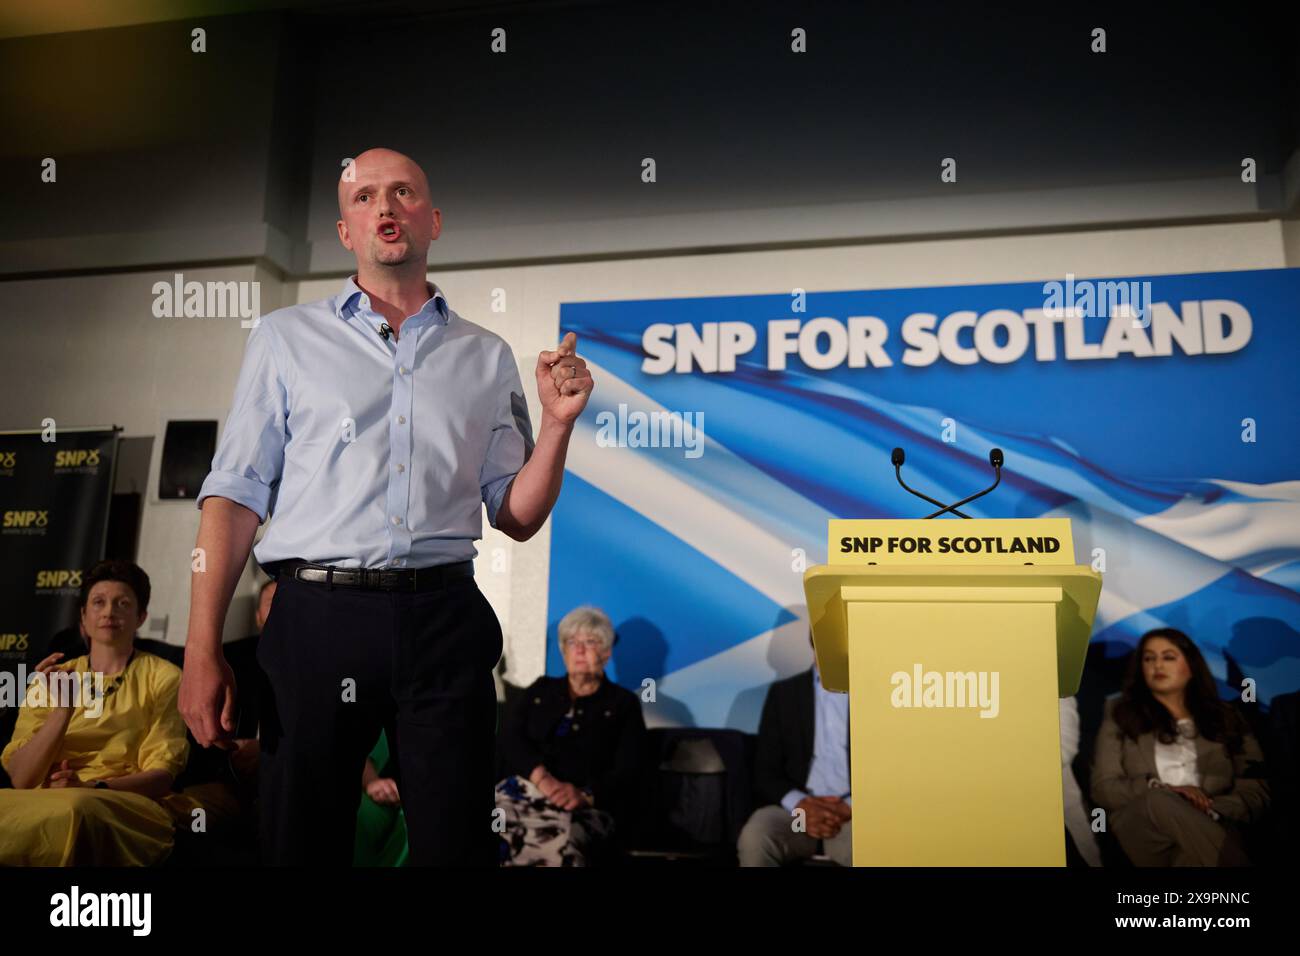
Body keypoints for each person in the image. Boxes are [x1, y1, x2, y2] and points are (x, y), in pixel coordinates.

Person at [179, 147, 594, 866]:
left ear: (431, 220)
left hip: (443, 621)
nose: (384, 207)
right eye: (365, 196)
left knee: (455, 846)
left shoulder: (486, 355)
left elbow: (517, 516)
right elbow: (236, 496)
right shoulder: (284, 338)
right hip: (316, 618)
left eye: (402, 193)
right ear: (346, 231)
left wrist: (556, 426)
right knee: (299, 842)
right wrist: (201, 645)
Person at [0, 560, 192, 866]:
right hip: (42, 796)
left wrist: (90, 786)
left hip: (119, 799)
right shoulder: (53, 678)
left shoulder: (164, 677)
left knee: (74, 810)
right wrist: (63, 711)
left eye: (122, 603)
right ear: (83, 617)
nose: (108, 612)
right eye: (98, 602)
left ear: (140, 616)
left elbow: (161, 777)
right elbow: (20, 778)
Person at [1090, 627, 1270, 865]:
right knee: (1159, 800)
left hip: (1213, 821)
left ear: (1192, 666)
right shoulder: (1119, 713)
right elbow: (1104, 788)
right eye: (1149, 658)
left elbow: (1257, 790)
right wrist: (1166, 792)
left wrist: (1206, 808)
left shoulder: (1228, 716)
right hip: (1144, 831)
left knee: (1193, 854)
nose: (1157, 665)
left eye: (1168, 657)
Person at [495, 606, 645, 865]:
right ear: (563, 651)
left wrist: (585, 795)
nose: (579, 649)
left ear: (606, 653)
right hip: (520, 794)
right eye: (571, 642)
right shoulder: (541, 690)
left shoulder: (622, 704)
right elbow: (510, 739)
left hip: (582, 807)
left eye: (590, 642)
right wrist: (542, 778)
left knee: (561, 843)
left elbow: (630, 769)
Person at [738, 633, 852, 866]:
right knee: (756, 838)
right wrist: (802, 805)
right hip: (795, 813)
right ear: (813, 636)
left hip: (854, 816)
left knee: (881, 847)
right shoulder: (784, 694)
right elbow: (765, 771)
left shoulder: (875, 693)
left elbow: (890, 768)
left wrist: (848, 806)